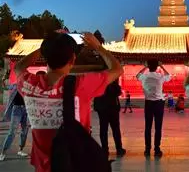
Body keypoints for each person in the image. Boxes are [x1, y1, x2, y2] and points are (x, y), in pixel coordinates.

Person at [14, 32, 123, 172]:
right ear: (73, 59)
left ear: (46, 57)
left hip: (43, 167)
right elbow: (117, 69)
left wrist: (47, 46)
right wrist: (98, 47)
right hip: (76, 163)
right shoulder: (81, 85)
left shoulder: (28, 84)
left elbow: (18, 67)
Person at [0, 73, 44, 160]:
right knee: (12, 132)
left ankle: (20, 150)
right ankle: (3, 152)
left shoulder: (30, 87)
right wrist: (2, 80)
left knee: (25, 131)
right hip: (17, 110)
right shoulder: (15, 86)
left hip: (26, 110)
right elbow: (5, 87)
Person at [136, 59, 171, 157]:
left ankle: (147, 149)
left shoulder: (144, 77)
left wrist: (145, 66)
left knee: (148, 127)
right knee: (158, 127)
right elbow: (169, 76)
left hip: (148, 104)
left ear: (148, 66)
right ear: (157, 67)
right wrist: (162, 66)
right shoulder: (160, 76)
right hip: (159, 104)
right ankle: (157, 149)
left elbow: (137, 75)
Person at [94, 80, 126, 157]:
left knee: (103, 129)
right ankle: (119, 149)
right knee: (115, 129)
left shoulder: (97, 81)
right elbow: (118, 92)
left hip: (101, 108)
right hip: (112, 108)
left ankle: (105, 150)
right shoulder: (112, 81)